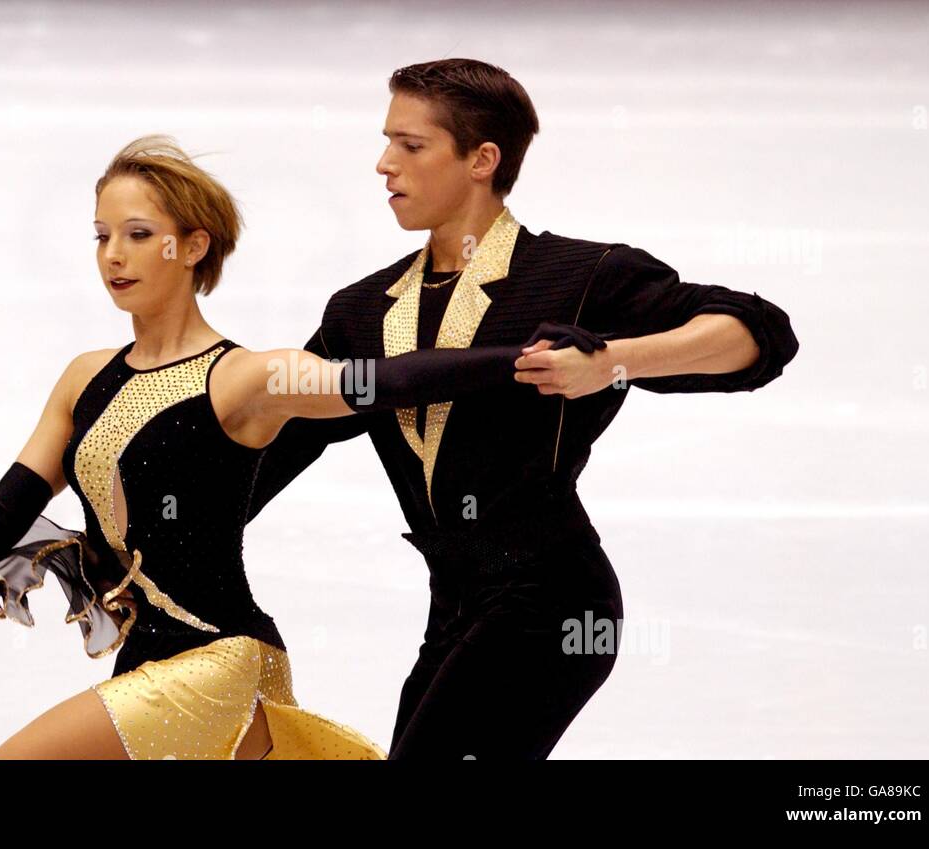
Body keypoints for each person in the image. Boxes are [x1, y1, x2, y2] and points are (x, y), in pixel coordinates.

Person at [0, 134, 571, 761]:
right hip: (144, 660)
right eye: (102, 235)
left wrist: (515, 359)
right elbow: (12, 499)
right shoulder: (83, 376)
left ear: (193, 246)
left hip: (220, 661)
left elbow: (386, 378)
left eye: (139, 234)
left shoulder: (243, 378)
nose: (114, 256)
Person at [244, 58, 801, 760]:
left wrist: (610, 361)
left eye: (411, 146)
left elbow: (757, 334)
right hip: (454, 609)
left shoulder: (577, 277)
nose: (384, 164)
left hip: (552, 602)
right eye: (387, 141)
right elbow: (282, 438)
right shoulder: (361, 310)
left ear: (483, 159)